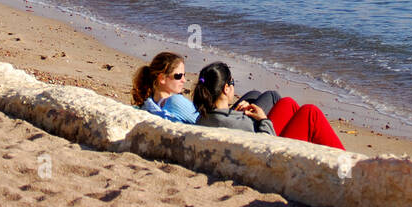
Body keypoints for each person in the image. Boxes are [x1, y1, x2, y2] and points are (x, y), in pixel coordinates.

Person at [192, 62, 345, 150]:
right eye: (232, 83)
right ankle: (347, 165)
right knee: (310, 112)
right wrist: (263, 119)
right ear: (226, 88)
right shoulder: (241, 123)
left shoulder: (202, 118)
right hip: (271, 158)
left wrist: (236, 113)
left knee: (287, 103)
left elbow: (228, 121)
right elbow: (268, 146)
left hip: (240, 135)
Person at [132, 52, 198, 124]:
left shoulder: (147, 106)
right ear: (162, 78)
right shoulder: (175, 101)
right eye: (178, 76)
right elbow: (206, 122)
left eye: (184, 75)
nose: (184, 80)